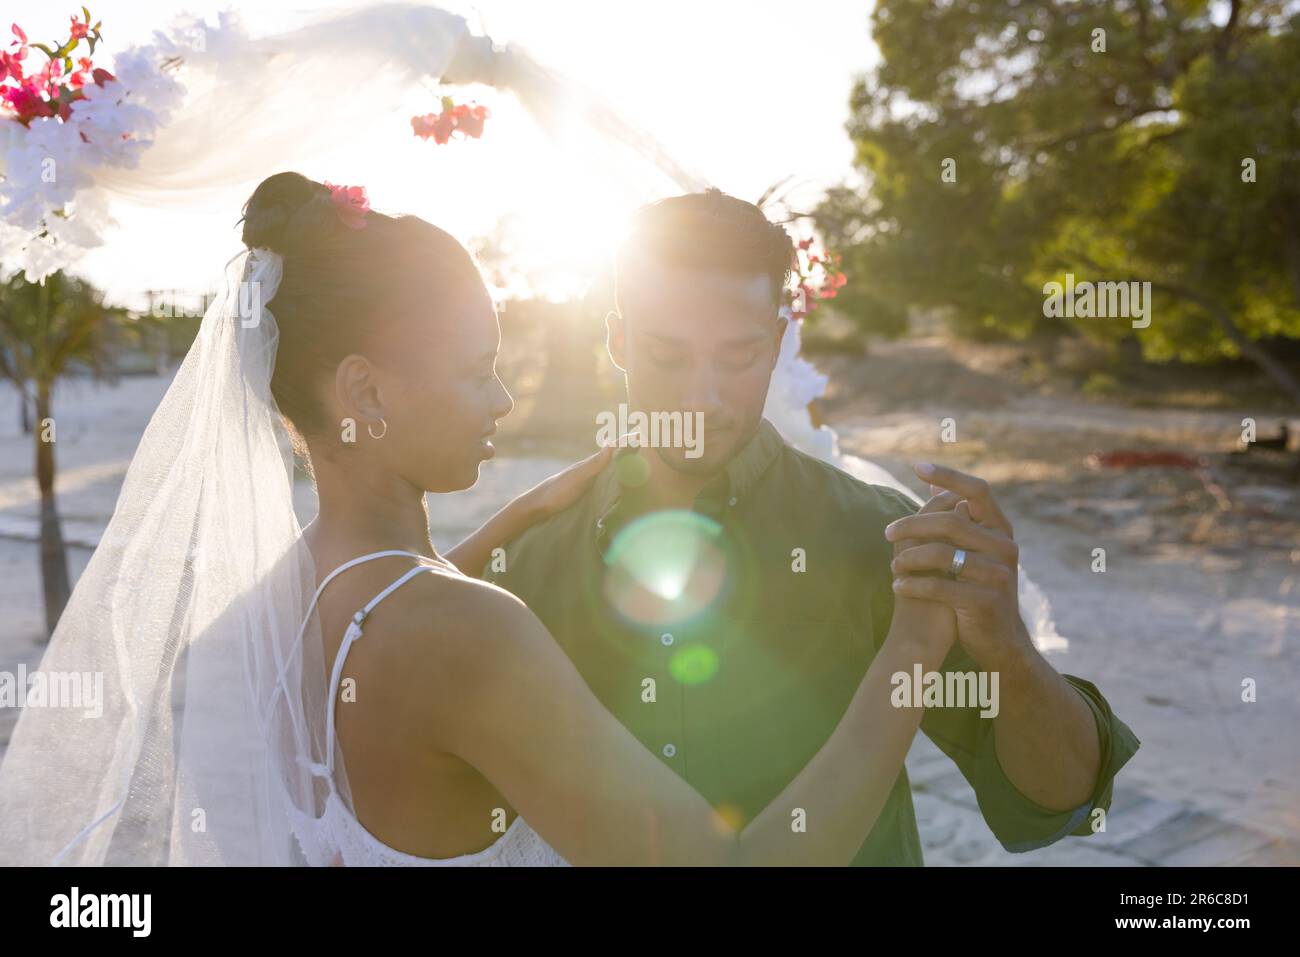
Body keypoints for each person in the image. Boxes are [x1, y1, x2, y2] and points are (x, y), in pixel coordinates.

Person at [0, 172, 959, 867]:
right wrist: (908, 655)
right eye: (475, 369)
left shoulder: (241, 634)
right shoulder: (476, 636)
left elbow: (380, 636)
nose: (503, 399)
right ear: (364, 391)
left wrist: (498, 532)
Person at [484, 189, 1142, 865]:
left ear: (775, 343)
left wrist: (1009, 650)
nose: (701, 398)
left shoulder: (882, 538)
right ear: (618, 341)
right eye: (667, 355)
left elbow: (1061, 806)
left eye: (737, 356)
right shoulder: (529, 559)